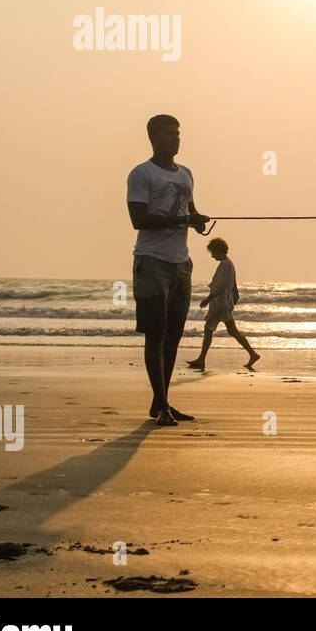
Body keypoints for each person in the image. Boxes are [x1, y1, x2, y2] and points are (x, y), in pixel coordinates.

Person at [126, 115, 210, 426]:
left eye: (178, 133)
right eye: (169, 134)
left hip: (181, 264)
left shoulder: (186, 174)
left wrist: (197, 219)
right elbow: (138, 219)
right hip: (151, 262)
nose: (176, 139)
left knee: (173, 335)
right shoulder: (141, 174)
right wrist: (182, 221)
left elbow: (189, 211)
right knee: (155, 334)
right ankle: (161, 405)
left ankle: (160, 402)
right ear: (154, 138)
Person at [187, 237, 260, 370]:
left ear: (219, 251)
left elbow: (220, 286)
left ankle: (201, 359)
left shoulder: (226, 265)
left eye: (213, 253)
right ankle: (252, 353)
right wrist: (235, 295)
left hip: (220, 304)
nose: (212, 256)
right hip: (224, 303)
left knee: (209, 329)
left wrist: (208, 299)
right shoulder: (228, 264)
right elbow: (233, 283)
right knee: (232, 331)